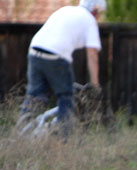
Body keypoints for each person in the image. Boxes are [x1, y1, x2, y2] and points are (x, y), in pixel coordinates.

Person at [18, 0, 104, 129]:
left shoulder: (65, 10)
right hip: (56, 55)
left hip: (34, 51)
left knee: (35, 96)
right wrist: (95, 84)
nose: (99, 17)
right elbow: (92, 54)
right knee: (66, 97)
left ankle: (21, 132)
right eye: (99, 13)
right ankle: (62, 136)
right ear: (95, 10)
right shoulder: (89, 19)